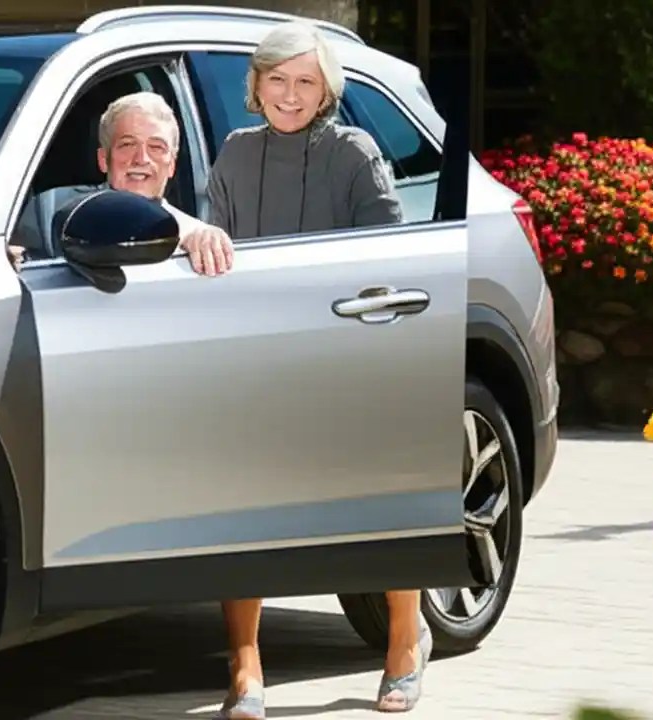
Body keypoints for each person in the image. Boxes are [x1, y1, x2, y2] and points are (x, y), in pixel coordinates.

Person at [203, 21, 422, 719]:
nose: (290, 94)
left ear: (326, 88)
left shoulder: (354, 151)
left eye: (305, 81)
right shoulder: (234, 154)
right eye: (277, 80)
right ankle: (245, 666)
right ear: (256, 86)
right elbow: (218, 253)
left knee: (376, 499)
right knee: (245, 509)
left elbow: (386, 257)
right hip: (257, 360)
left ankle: (404, 645)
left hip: (344, 353)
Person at [11, 91, 234, 276]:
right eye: (127, 144)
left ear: (172, 165)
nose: (141, 159)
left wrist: (206, 239)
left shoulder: (192, 233)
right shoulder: (48, 207)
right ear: (103, 159)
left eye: (156, 147)